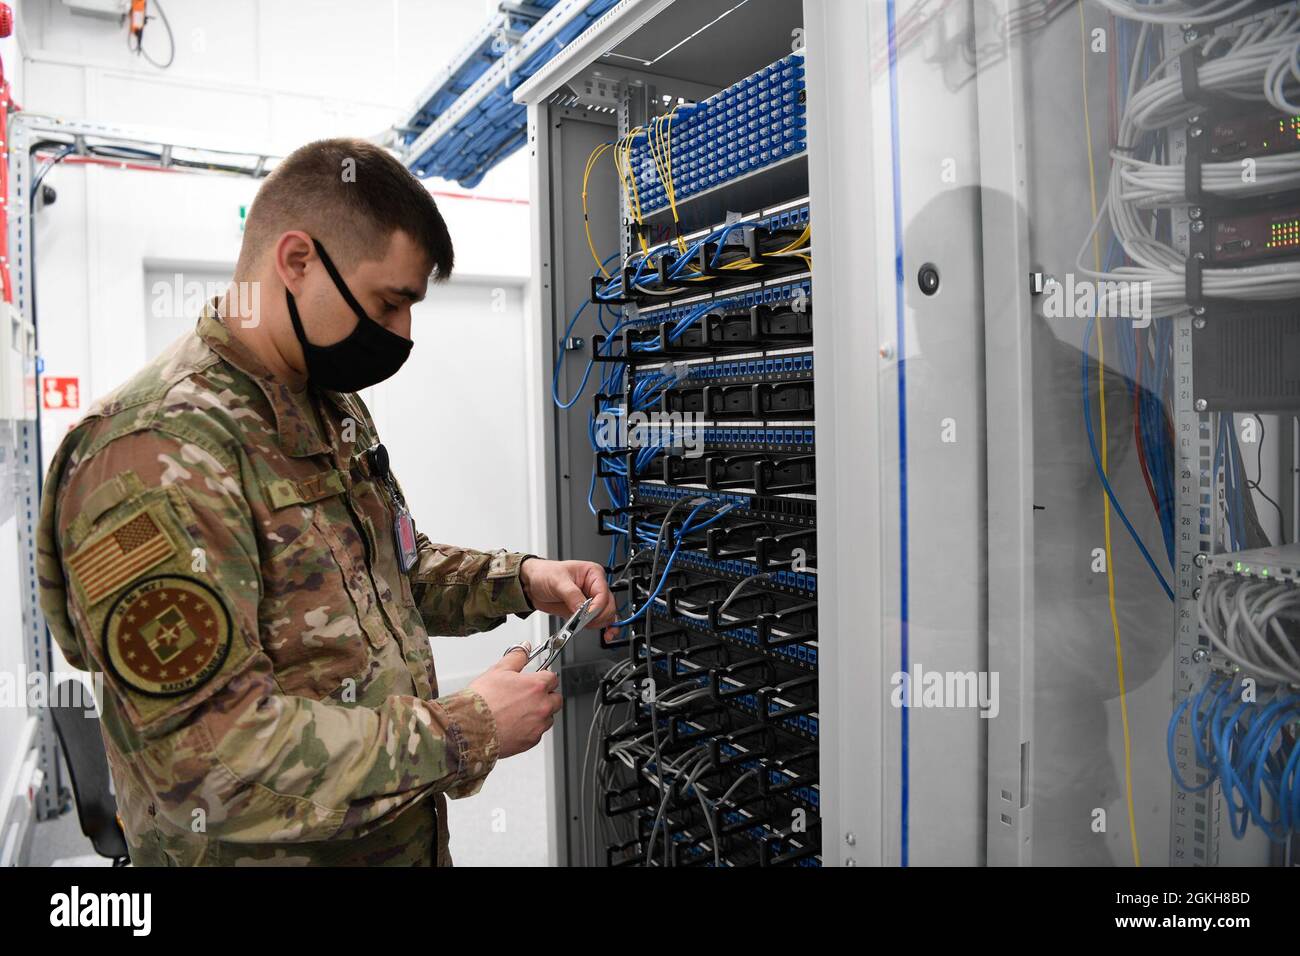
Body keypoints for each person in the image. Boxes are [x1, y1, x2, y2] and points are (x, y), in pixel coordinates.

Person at [35, 137, 616, 866]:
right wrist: (466, 728)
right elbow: (212, 769)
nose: (402, 334)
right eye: (389, 301)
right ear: (297, 261)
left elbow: (391, 572)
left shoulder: (326, 405)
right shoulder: (155, 449)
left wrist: (522, 579)